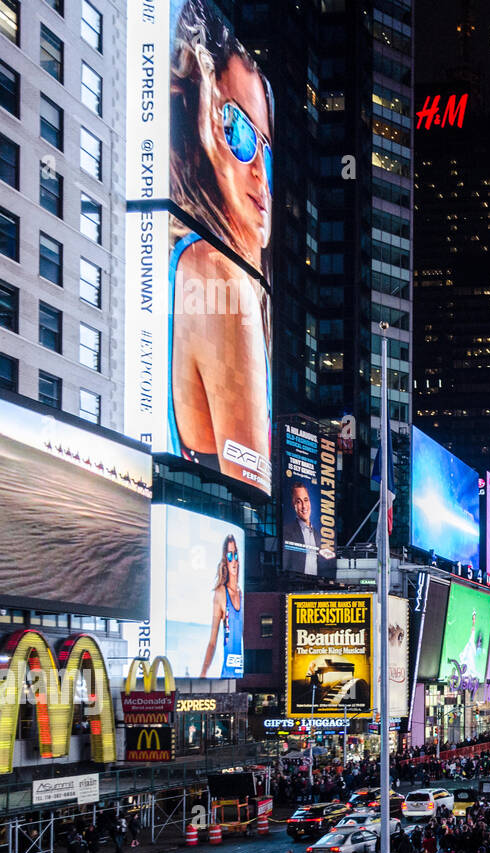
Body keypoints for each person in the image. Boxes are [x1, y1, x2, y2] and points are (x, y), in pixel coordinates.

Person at [168, 0, 274, 496]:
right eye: (238, 131)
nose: (260, 175)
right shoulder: (223, 278)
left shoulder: (203, 263)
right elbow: (247, 494)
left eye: (267, 151)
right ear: (206, 122)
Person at [201, 534, 242, 677]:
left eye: (235, 554)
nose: (234, 560)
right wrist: (203, 673)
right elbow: (212, 641)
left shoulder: (241, 593)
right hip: (227, 671)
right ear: (225, 561)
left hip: (239, 670)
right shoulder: (220, 594)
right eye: (230, 556)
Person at [284, 480, 333, 574]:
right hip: (295, 581)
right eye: (299, 501)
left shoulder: (318, 535)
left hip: (315, 581)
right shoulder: (287, 532)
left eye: (306, 500)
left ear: (310, 502)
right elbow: (285, 565)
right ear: (294, 505)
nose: (304, 506)